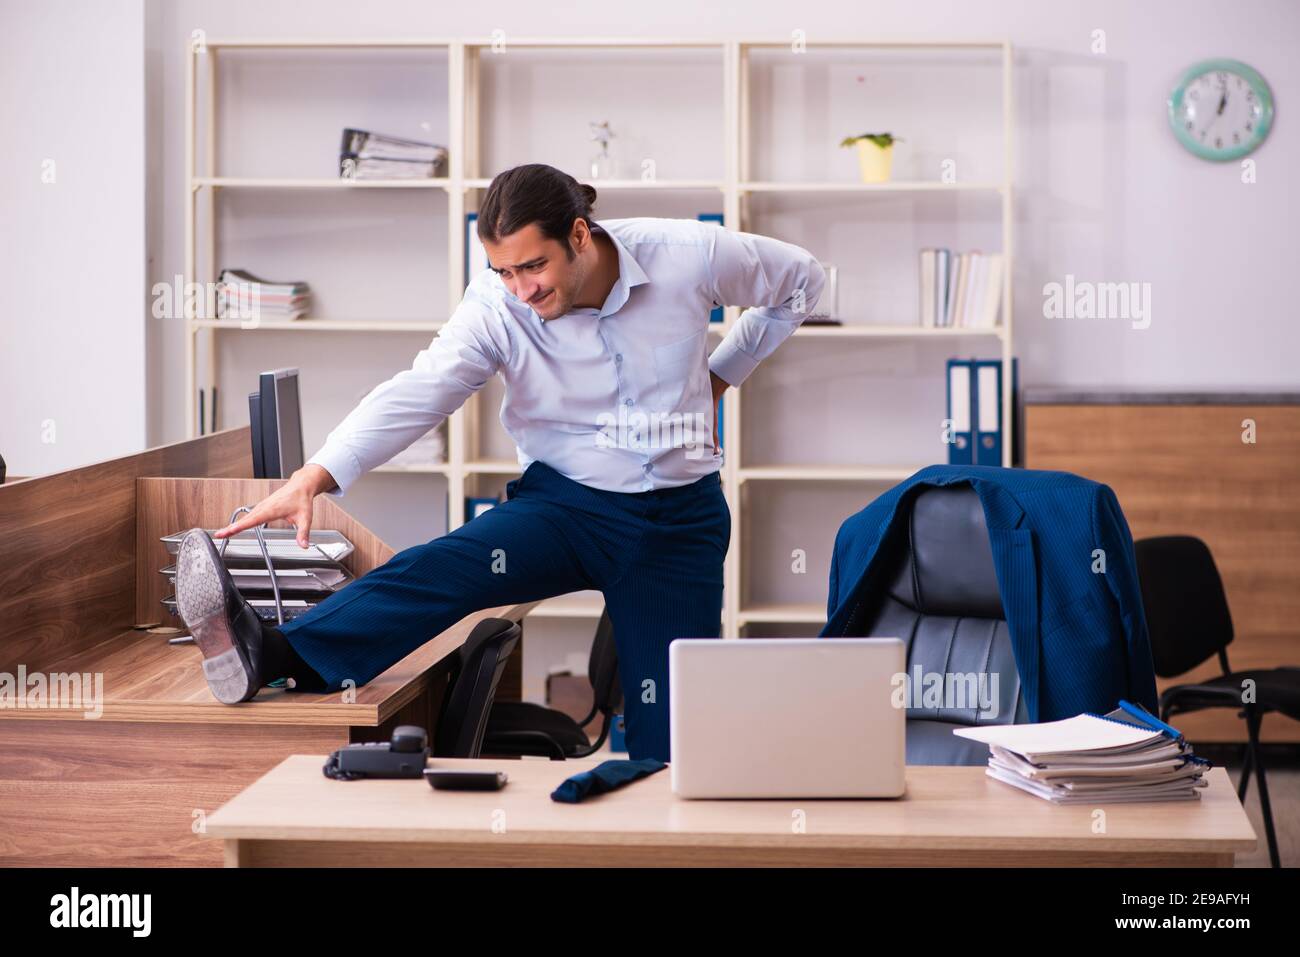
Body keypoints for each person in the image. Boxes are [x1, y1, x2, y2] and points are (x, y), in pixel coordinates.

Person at [174, 162, 825, 762]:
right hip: (567, 506)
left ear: (578, 234)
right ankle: (276, 651)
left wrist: (722, 374)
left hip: (678, 525)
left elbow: (803, 280)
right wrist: (314, 475)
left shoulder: (687, 255)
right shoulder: (496, 307)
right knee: (443, 567)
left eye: (532, 267)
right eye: (503, 271)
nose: (520, 288)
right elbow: (421, 391)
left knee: (670, 740)